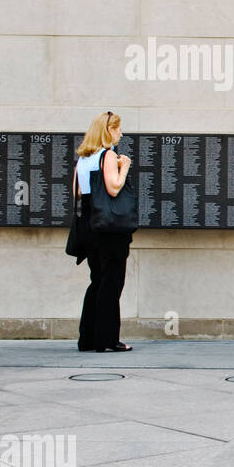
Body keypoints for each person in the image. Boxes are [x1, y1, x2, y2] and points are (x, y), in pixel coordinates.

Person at [74, 111, 134, 352]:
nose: (120, 133)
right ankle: (107, 340)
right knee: (112, 282)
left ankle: (87, 339)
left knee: (96, 281)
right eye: (118, 128)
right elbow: (113, 188)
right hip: (109, 228)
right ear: (108, 130)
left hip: (88, 225)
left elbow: (77, 194)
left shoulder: (83, 159)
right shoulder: (107, 155)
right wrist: (125, 167)